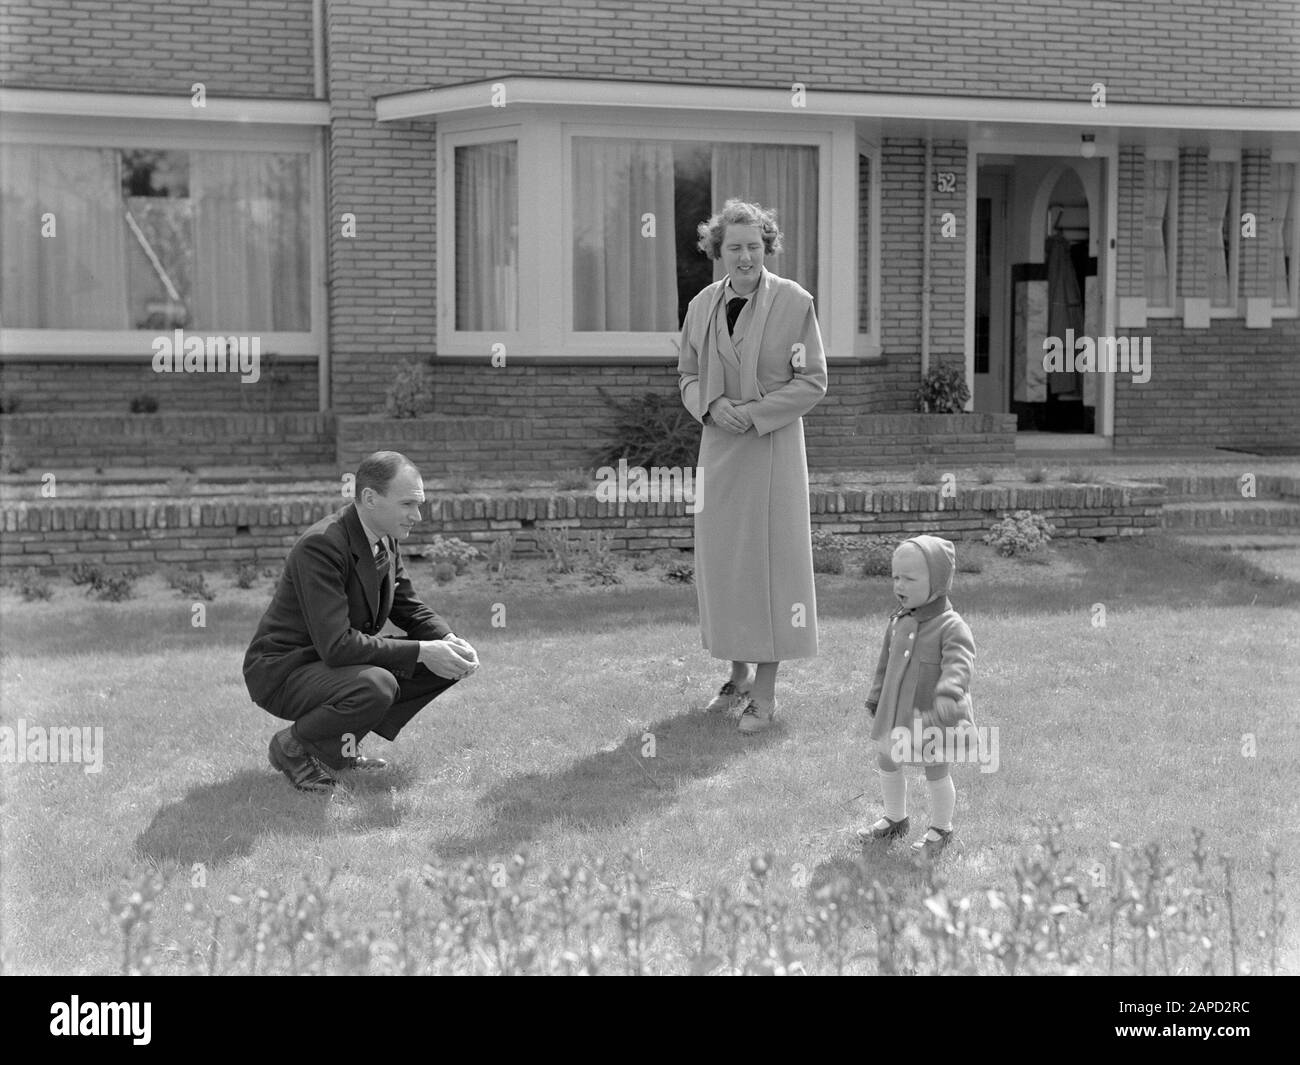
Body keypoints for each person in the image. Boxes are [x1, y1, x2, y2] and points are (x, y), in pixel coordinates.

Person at [677, 199, 828, 734]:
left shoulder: (794, 303)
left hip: (771, 452)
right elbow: (687, 374)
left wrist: (754, 415)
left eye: (754, 246)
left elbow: (812, 381)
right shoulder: (701, 305)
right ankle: (736, 676)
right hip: (719, 452)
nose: (744, 256)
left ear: (768, 247)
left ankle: (764, 697)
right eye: (734, 247)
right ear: (718, 251)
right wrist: (712, 406)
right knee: (725, 566)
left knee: (770, 568)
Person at [243, 451, 479, 792]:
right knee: (377, 683)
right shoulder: (322, 546)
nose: (418, 515)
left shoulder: (385, 537)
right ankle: (291, 747)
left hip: (326, 663)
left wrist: (450, 640)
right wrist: (424, 650)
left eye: (419, 504)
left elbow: (408, 607)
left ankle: (340, 749)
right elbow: (337, 646)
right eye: (408, 504)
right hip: (284, 670)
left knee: (441, 660)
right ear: (369, 498)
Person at [858, 535, 977, 858]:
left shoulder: (951, 625)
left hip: (931, 714)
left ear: (937, 581)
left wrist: (949, 693)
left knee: (934, 767)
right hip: (896, 711)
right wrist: (875, 697)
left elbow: (960, 664)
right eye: (896, 577)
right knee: (887, 757)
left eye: (910, 578)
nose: (900, 584)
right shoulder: (899, 621)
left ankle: (942, 827)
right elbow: (885, 665)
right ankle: (895, 817)